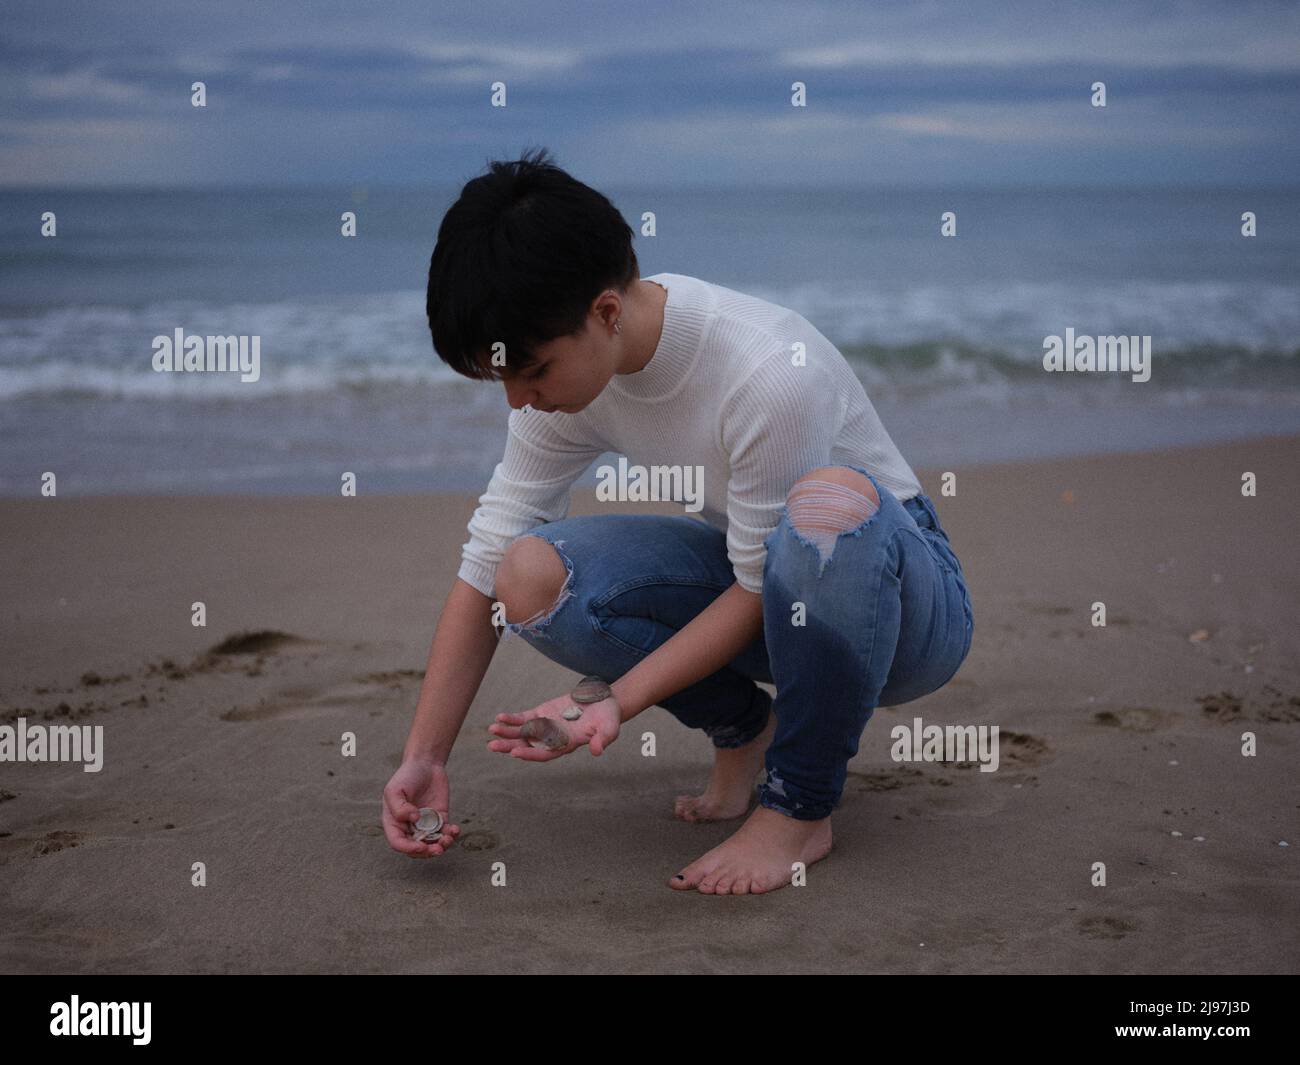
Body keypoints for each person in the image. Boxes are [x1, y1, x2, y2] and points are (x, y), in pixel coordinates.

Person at [382, 147, 973, 894]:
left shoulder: (767, 372)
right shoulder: (569, 385)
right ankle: (747, 733)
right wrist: (425, 756)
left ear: (605, 311)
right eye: (501, 377)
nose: (517, 400)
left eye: (529, 372)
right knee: (525, 574)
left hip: (899, 607)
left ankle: (798, 809)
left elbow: (768, 582)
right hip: (760, 580)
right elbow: (485, 558)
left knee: (826, 503)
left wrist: (610, 701)